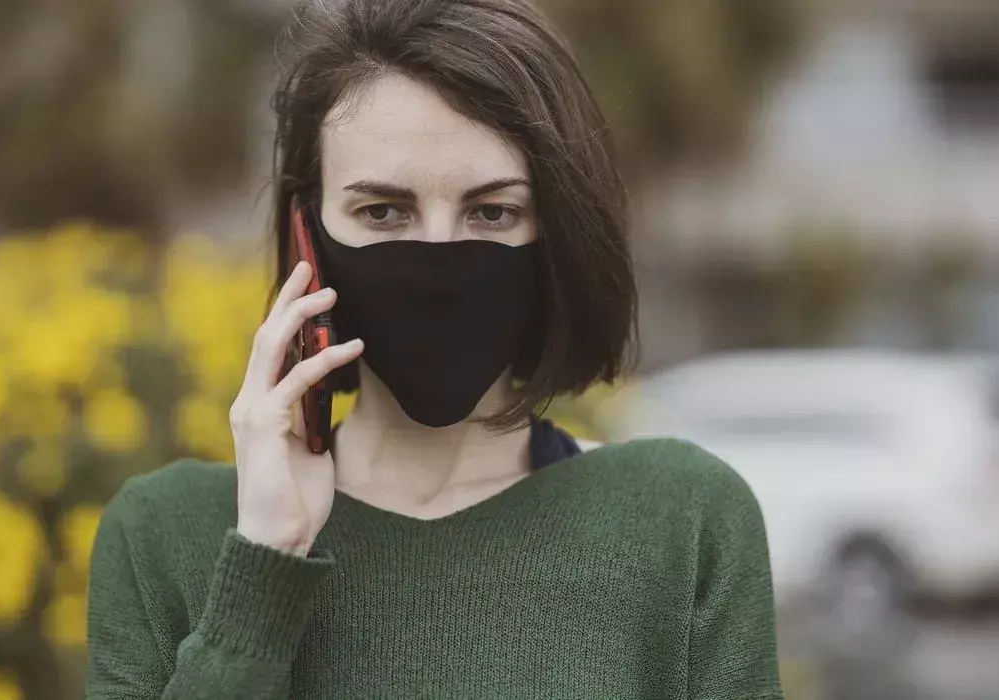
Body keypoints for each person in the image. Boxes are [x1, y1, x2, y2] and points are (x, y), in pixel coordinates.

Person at [85, 0, 784, 698]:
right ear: (308, 236)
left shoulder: (681, 519)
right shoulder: (166, 532)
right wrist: (266, 563)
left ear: (556, 239)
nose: (440, 258)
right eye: (382, 211)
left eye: (493, 211)